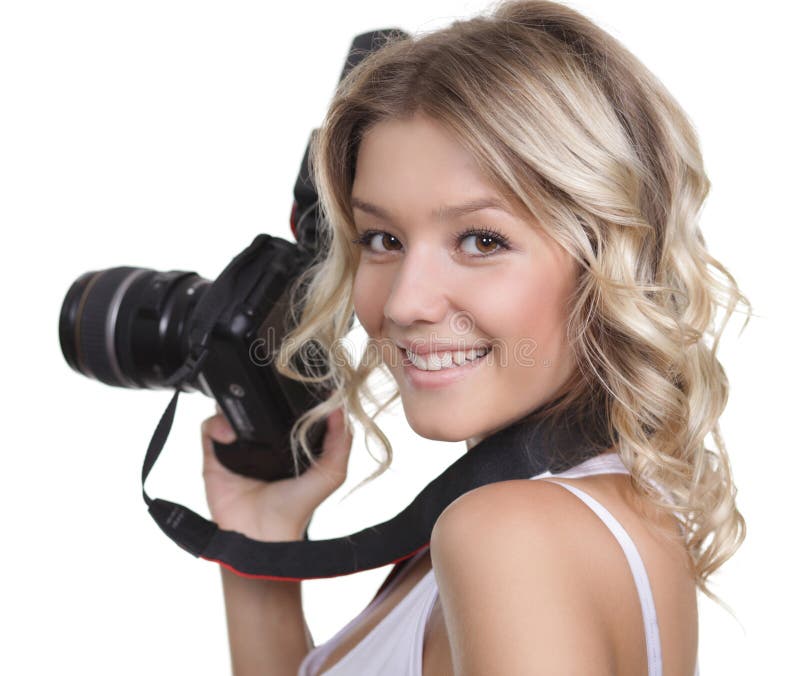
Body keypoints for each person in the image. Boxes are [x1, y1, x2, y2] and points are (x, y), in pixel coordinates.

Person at [200, 1, 751, 673]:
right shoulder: (598, 509)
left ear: (605, 258)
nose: (404, 302)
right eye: (383, 239)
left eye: (481, 240)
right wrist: (258, 538)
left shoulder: (506, 535)